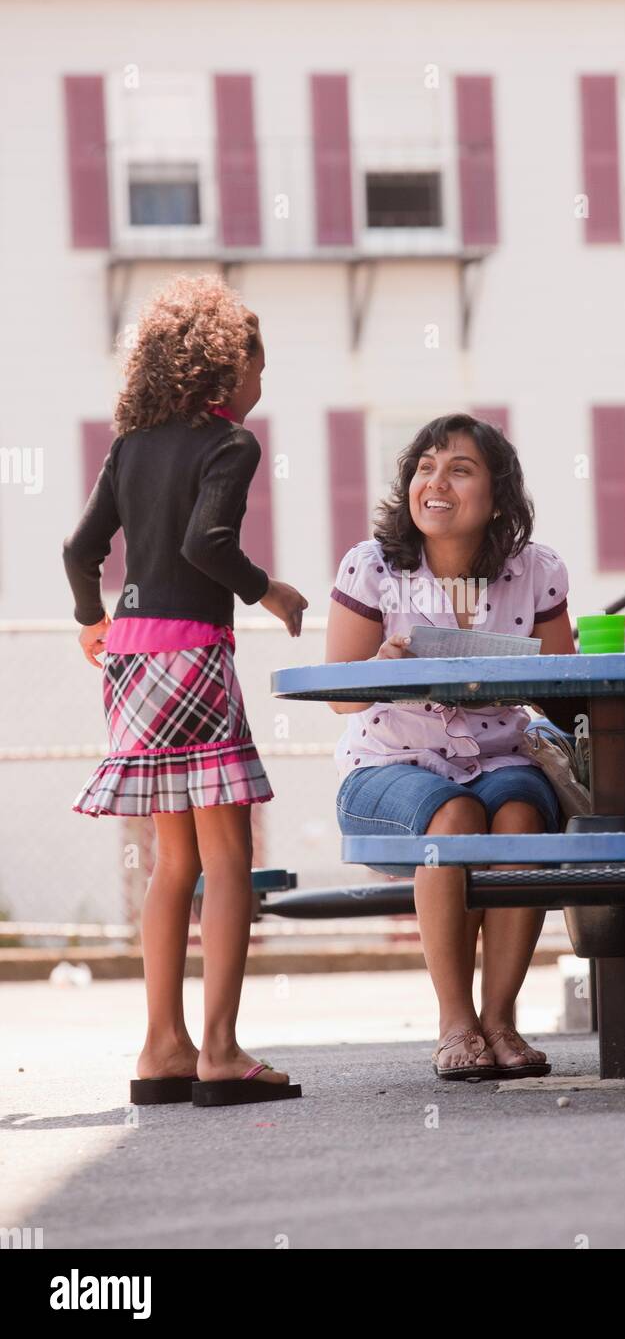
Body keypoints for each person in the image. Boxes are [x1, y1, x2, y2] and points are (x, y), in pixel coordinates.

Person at [62, 275, 308, 1108]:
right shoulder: (230, 444)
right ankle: (223, 1052)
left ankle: (163, 1045)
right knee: (229, 859)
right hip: (193, 659)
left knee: (174, 863)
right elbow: (208, 543)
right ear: (224, 366)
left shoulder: (130, 444)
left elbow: (79, 547)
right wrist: (269, 590)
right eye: (257, 371)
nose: (261, 388)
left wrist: (90, 620)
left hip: (130, 660)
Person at [326, 413, 575, 1080]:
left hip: (502, 755)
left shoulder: (536, 569)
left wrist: (514, 673)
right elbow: (344, 698)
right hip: (389, 761)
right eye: (425, 467)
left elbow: (566, 691)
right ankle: (456, 1022)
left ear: (497, 496)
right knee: (453, 817)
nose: (435, 482)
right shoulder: (373, 564)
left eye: (459, 469)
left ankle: (501, 1018)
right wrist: (387, 668)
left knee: (520, 814)